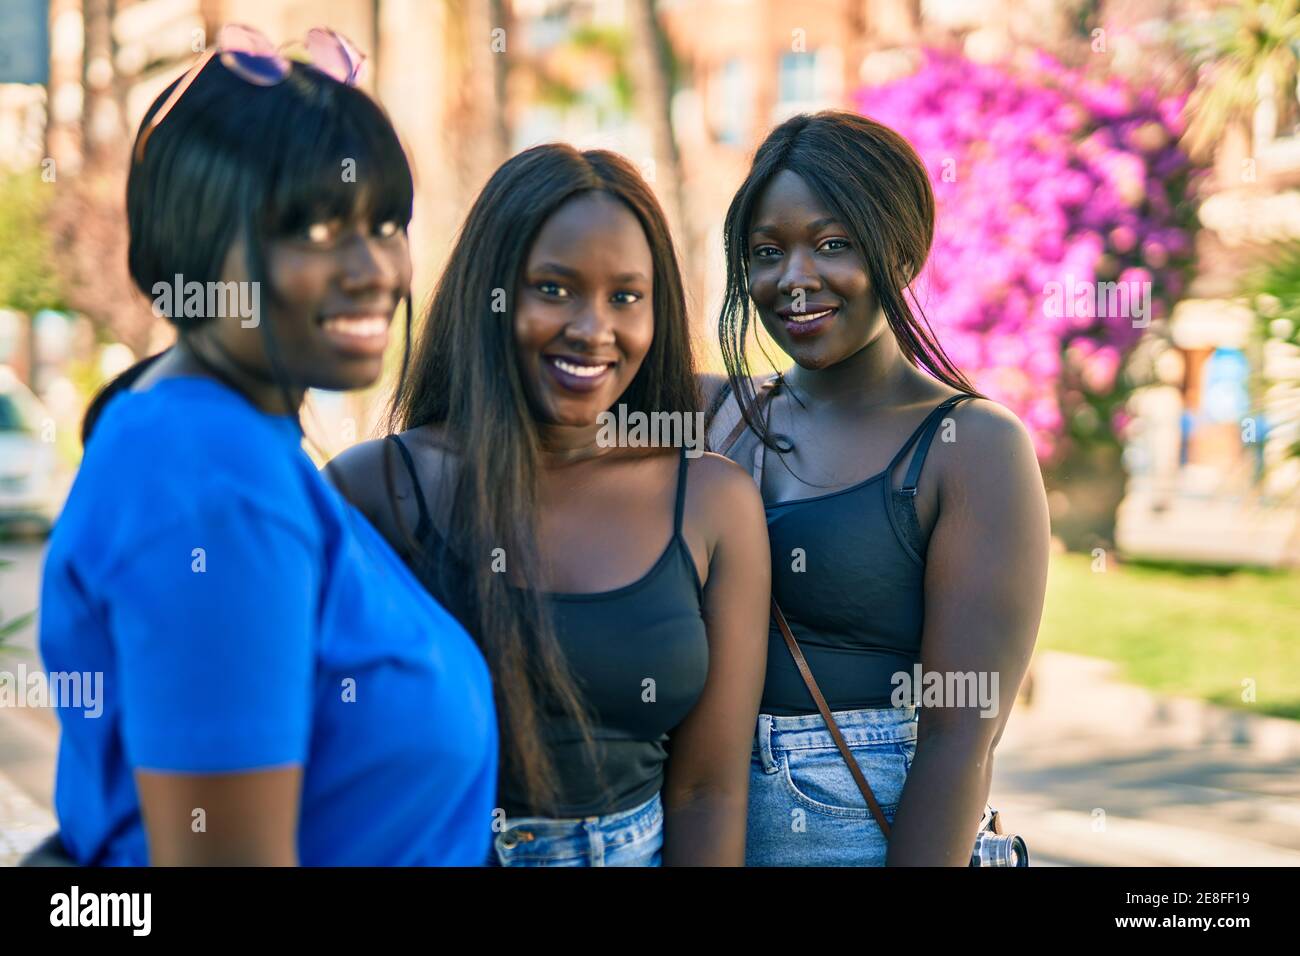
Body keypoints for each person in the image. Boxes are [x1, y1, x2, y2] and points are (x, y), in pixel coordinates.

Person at [39, 25, 496, 866]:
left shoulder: (237, 440)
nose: (374, 269)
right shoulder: (211, 479)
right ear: (196, 242)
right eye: (315, 232)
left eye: (385, 223)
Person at [327, 144, 770, 866]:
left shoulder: (713, 502)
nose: (593, 329)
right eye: (554, 289)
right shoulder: (376, 490)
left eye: (626, 296)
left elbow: (708, 793)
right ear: (490, 294)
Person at [705, 110, 1049, 866]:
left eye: (833, 244)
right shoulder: (710, 413)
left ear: (898, 250)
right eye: (767, 252)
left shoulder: (972, 446)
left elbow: (960, 738)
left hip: (861, 831)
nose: (795, 279)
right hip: (697, 821)